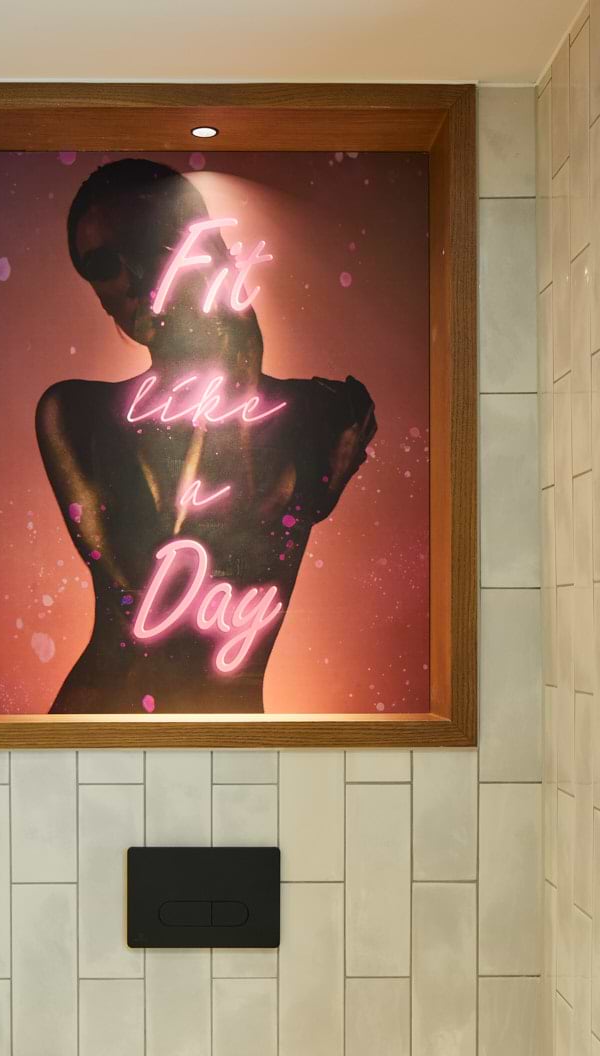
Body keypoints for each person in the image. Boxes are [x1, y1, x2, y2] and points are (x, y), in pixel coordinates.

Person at [37, 157, 377, 713]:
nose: (132, 279)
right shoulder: (77, 415)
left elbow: (241, 552)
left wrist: (239, 367)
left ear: (199, 242)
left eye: (146, 244)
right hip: (97, 727)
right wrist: (237, 367)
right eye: (102, 265)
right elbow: (154, 608)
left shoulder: (324, 412)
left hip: (230, 729)